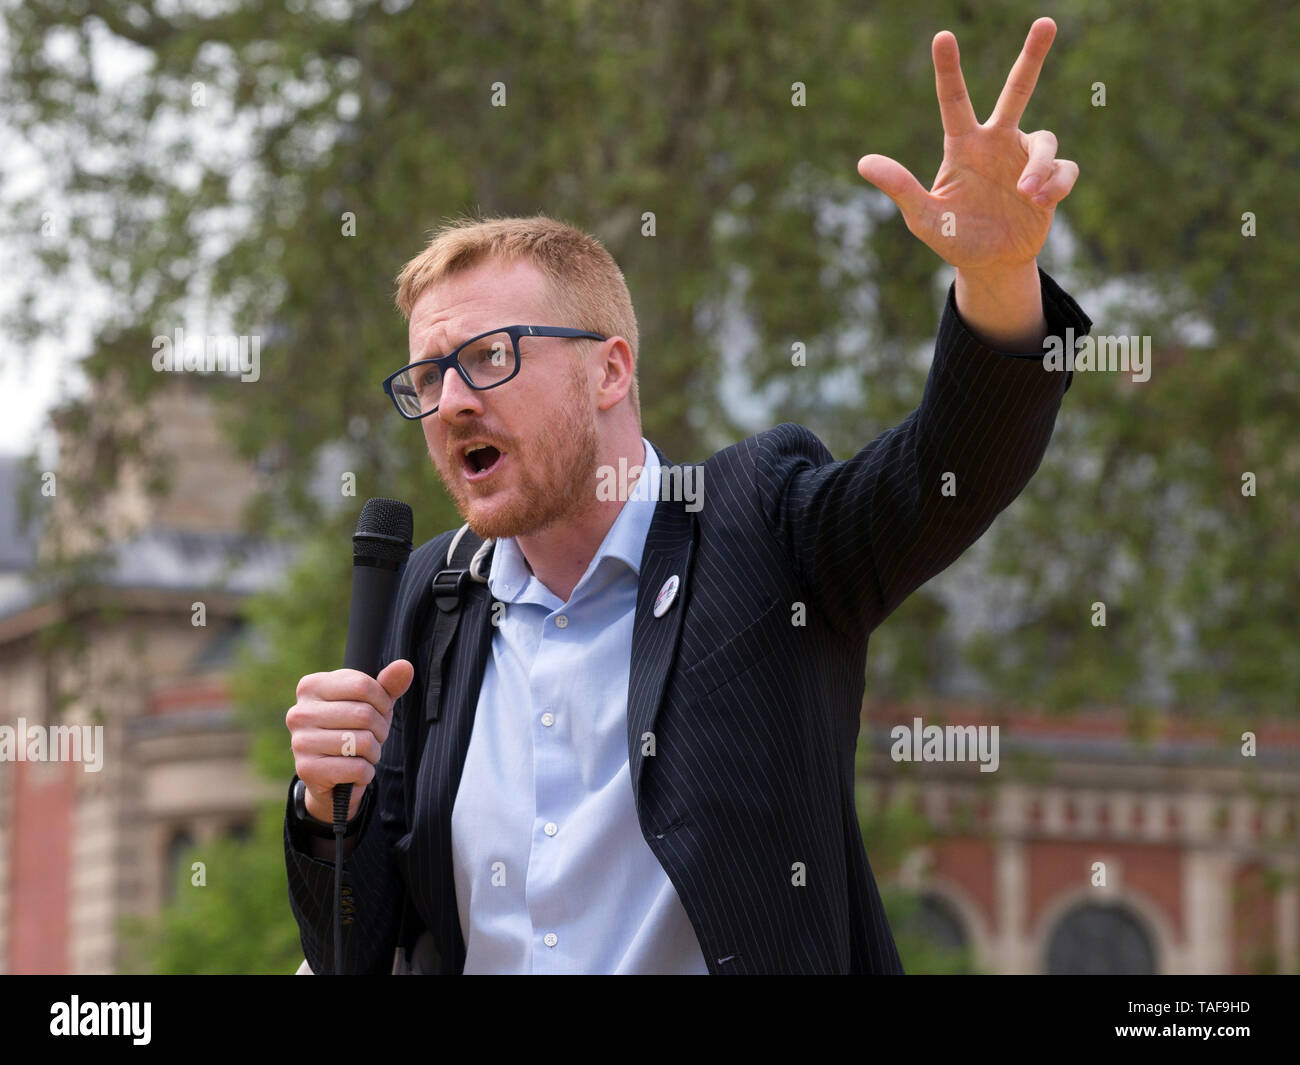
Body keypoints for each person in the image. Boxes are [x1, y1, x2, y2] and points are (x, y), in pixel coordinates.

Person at [285, 18, 1091, 974]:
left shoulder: (757, 531)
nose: (451, 399)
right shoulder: (433, 601)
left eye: (489, 357)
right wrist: (324, 809)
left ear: (610, 371)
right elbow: (356, 946)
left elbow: (947, 474)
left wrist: (997, 277)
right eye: (427, 376)